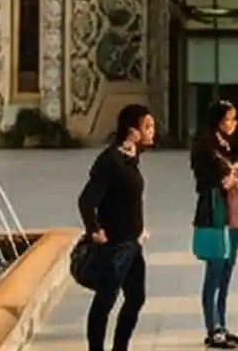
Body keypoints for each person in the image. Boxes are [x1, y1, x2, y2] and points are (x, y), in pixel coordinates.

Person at [78, 104, 157, 351]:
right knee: (105, 301)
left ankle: (120, 347)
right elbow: (86, 200)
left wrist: (139, 227)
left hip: (132, 244)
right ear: (133, 131)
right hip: (114, 246)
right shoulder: (110, 160)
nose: (152, 131)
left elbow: (127, 197)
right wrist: (94, 229)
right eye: (147, 126)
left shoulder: (131, 157)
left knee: (136, 298)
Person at [191, 101, 238, 348]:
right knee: (215, 270)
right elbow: (208, 178)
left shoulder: (233, 145)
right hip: (214, 212)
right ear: (217, 120)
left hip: (233, 212)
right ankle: (213, 328)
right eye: (228, 119)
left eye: (234, 119)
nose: (233, 124)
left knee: (227, 272)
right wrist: (229, 176)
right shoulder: (204, 147)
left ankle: (222, 323)